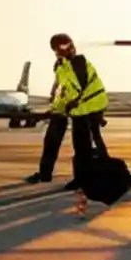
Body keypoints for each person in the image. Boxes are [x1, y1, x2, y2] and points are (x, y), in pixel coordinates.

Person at [25, 34, 110, 190]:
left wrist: (71, 104)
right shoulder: (60, 66)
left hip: (90, 106)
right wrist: (54, 109)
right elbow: (61, 89)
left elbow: (81, 89)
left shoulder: (79, 63)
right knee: (52, 138)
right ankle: (44, 174)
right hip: (73, 107)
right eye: (59, 48)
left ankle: (89, 178)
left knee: (83, 144)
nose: (65, 49)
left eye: (67, 45)